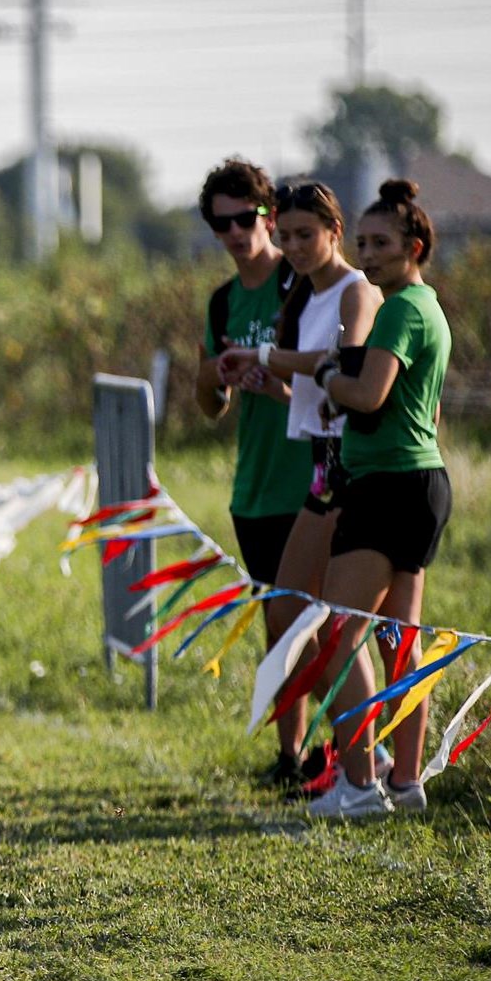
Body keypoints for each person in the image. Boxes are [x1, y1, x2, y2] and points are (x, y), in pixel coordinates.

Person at [217, 180, 382, 792]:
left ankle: (366, 767)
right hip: (321, 466)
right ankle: (356, 755)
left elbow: (349, 365)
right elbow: (319, 388)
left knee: (335, 627)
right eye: (284, 236)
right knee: (291, 616)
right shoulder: (305, 295)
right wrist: (273, 382)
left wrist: (266, 356)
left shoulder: (354, 290)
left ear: (335, 231)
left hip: (351, 469)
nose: (292, 247)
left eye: (304, 234)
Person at [300, 180, 452, 820]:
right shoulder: (429, 307)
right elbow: (421, 408)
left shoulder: (398, 311)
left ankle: (360, 784)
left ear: (413, 247)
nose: (367, 255)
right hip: (422, 485)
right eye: (361, 243)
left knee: (338, 633)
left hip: (387, 487)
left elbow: (368, 395)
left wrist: (327, 373)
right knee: (399, 642)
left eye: (381, 243)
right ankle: (407, 782)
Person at [192, 158, 312, 758]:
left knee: (316, 627)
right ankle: (293, 758)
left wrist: (280, 385)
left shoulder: (305, 284)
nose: (236, 233)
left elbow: (339, 379)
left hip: (312, 482)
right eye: (222, 224)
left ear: (270, 214)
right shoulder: (222, 303)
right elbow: (211, 405)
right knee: (278, 627)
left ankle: (360, 762)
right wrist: (215, 376)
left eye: (246, 218)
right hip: (255, 489)